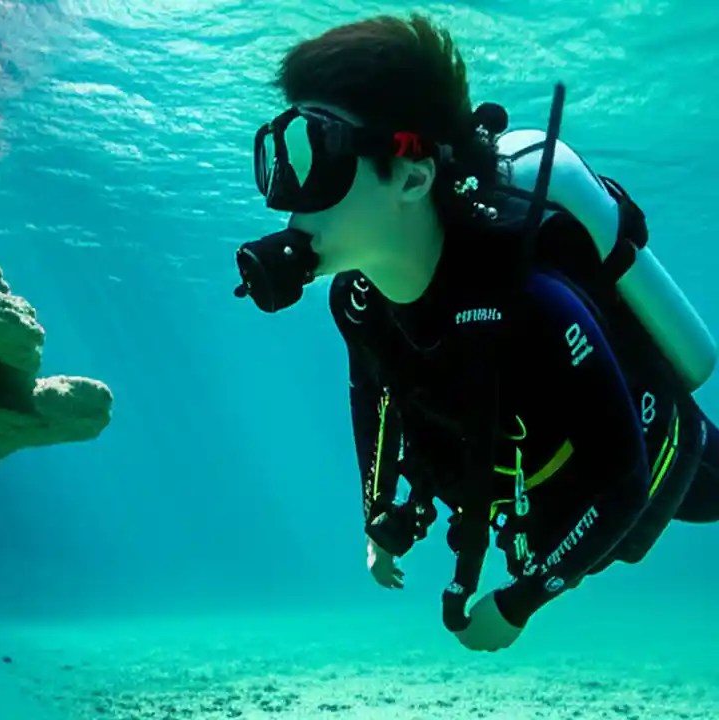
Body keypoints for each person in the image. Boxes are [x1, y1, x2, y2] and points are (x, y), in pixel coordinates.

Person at [232, 13, 719, 652]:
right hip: (527, 476)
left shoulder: (529, 304)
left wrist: (520, 603)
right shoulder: (356, 302)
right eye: (277, 155)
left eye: (312, 151)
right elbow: (374, 400)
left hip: (659, 459)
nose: (286, 199)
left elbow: (623, 478)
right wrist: (376, 516)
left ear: (411, 174)